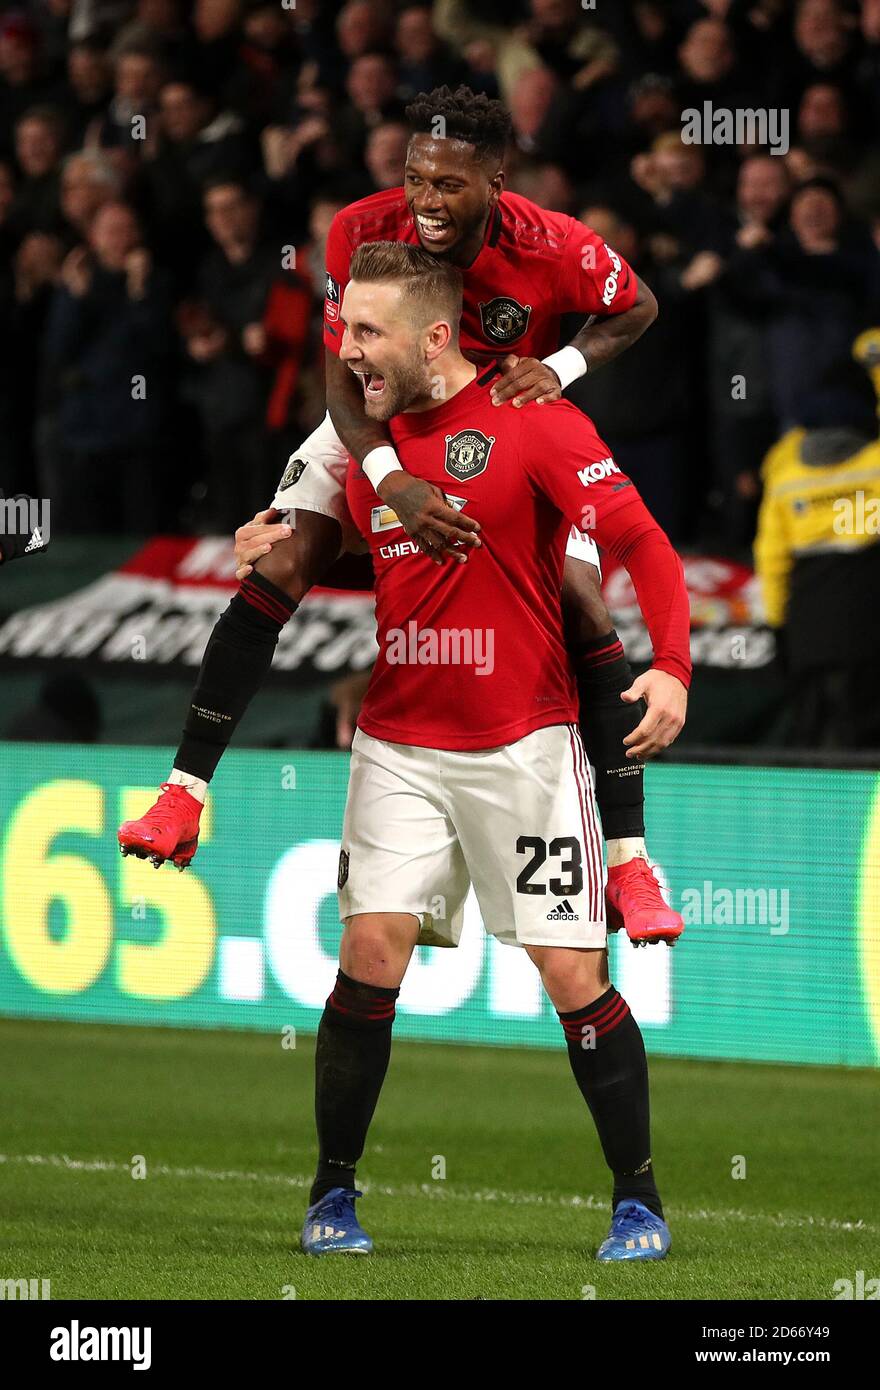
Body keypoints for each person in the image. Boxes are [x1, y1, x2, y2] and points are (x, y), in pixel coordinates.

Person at [118, 84, 691, 943]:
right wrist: (390, 484)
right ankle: (183, 795)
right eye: (417, 177)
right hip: (380, 415)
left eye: (450, 185)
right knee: (277, 555)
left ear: (496, 179)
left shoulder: (554, 245)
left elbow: (637, 305)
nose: (425, 200)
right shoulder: (358, 227)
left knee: (580, 603)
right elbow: (343, 376)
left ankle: (630, 864)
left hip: (499, 426)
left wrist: (564, 368)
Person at [292, 241, 679, 1257]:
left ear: (433, 335)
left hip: (525, 747)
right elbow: (375, 555)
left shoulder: (535, 422)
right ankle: (332, 1193)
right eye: (345, 331)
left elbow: (641, 544)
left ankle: (636, 1198)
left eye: (368, 334)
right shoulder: (365, 438)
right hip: (396, 744)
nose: (351, 355)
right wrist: (280, 541)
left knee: (568, 973)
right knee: (369, 956)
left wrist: (673, 664)